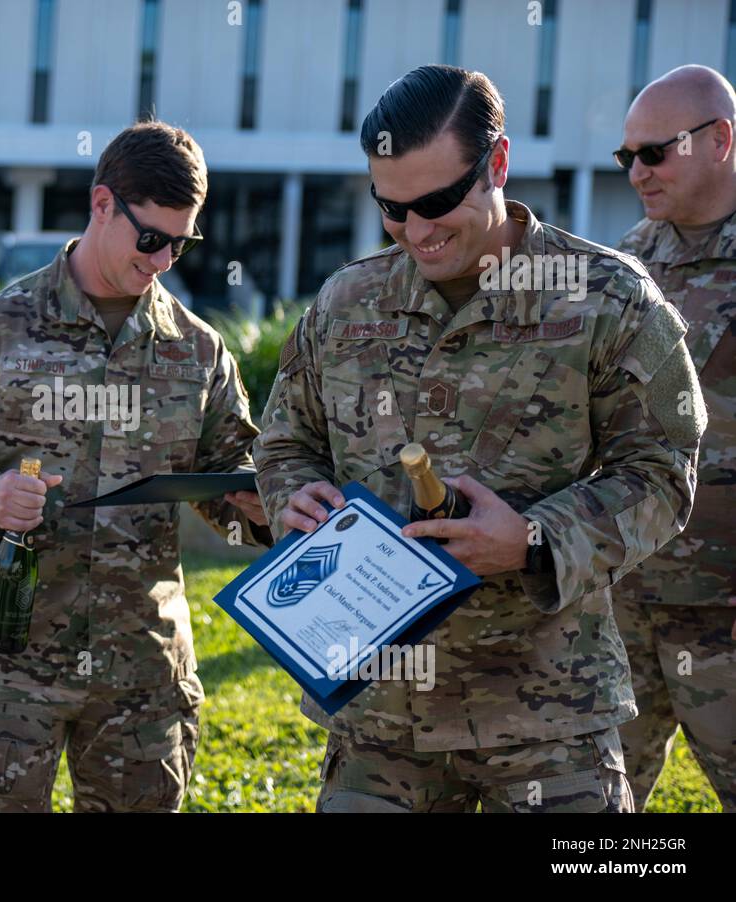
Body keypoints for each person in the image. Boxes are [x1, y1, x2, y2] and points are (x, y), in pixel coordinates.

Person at [253, 65, 705, 812]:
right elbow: (284, 443)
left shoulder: (609, 298)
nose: (417, 231)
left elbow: (662, 470)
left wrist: (532, 539)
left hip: (549, 720)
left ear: (497, 163)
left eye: (436, 202)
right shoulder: (345, 301)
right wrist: (293, 498)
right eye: (392, 207)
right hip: (380, 726)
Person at [0, 120, 272, 812]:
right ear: (102, 205)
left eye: (179, 244)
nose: (162, 260)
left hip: (142, 674)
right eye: (149, 238)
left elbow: (232, 478)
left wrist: (256, 508)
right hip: (10, 667)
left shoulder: (198, 352)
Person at [612, 64, 736, 811]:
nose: (636, 173)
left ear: (720, 140)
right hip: (625, 601)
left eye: (654, 153)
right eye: (625, 157)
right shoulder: (629, 260)